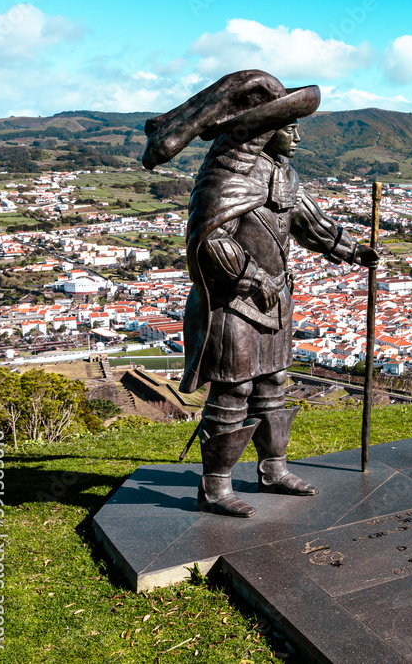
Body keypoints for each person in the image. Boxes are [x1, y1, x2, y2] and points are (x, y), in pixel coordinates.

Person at [142, 70, 378, 517]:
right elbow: (211, 240)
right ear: (266, 132)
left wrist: (350, 249)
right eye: (290, 128)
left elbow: (307, 220)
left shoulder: (282, 174)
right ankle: (215, 486)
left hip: (276, 301)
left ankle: (274, 468)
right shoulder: (225, 178)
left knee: (273, 385)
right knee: (233, 392)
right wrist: (253, 278)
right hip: (234, 305)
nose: (297, 138)